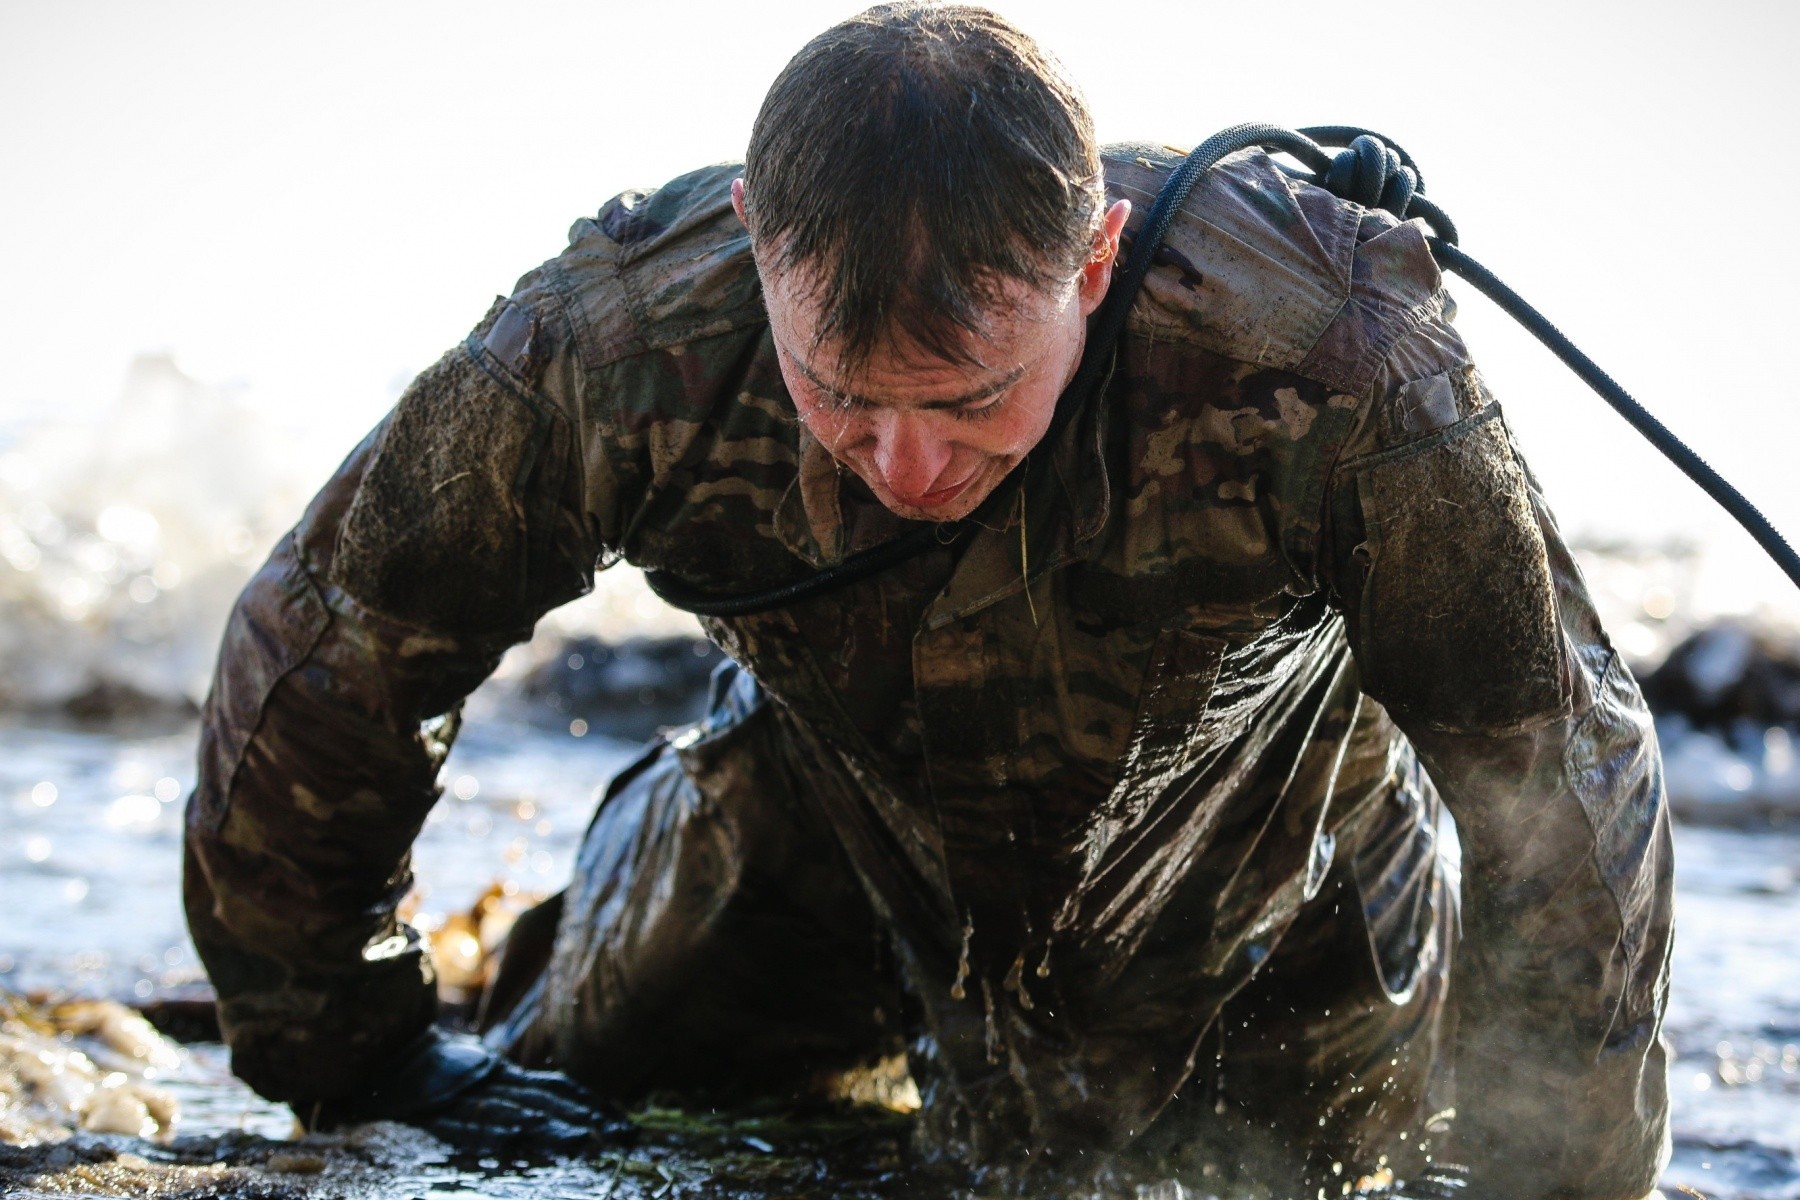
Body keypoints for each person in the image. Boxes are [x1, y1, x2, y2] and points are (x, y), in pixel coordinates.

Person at [182, 4, 1673, 1195]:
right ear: (764, 247)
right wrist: (353, 1051)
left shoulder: (1331, 355)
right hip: (812, 825)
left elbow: (1552, 755)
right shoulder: (616, 343)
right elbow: (340, 643)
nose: (906, 463)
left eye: (970, 398)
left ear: (1090, 266)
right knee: (567, 1095)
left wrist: (1558, 1178)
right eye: (840, 392)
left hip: (1273, 882)